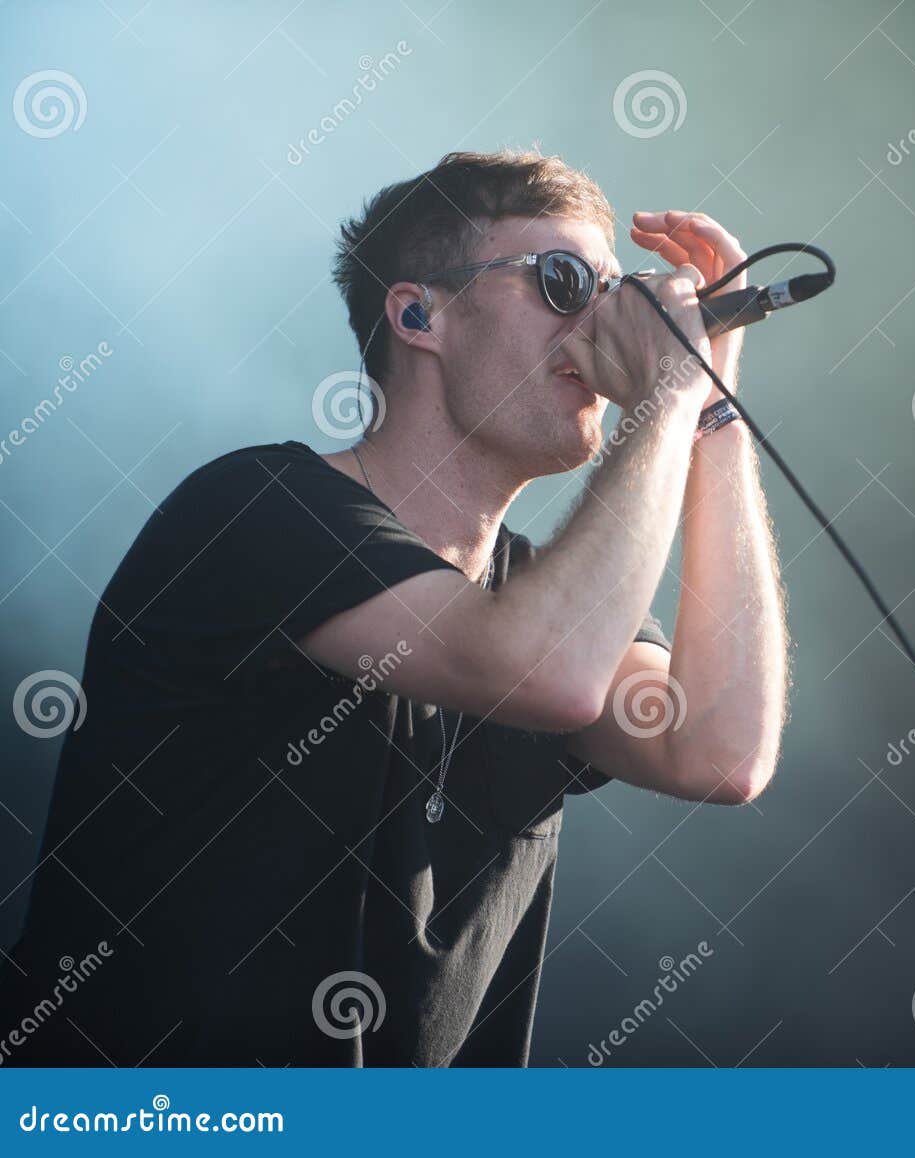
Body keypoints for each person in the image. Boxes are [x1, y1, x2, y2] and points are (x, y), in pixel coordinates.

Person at [0, 149, 789, 1066]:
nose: (603, 323)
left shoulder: (549, 598)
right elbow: (546, 673)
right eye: (564, 282)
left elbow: (720, 752)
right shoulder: (258, 511)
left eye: (615, 293)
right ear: (419, 315)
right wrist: (666, 395)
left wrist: (709, 404)